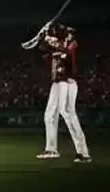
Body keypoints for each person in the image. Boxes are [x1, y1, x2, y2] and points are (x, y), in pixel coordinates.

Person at [35, 23, 91, 163]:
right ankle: (51, 149)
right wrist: (43, 36)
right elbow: (44, 50)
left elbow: (64, 46)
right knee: (49, 115)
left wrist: (47, 36)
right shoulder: (57, 48)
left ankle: (83, 152)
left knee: (66, 112)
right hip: (58, 82)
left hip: (67, 81)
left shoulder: (69, 46)